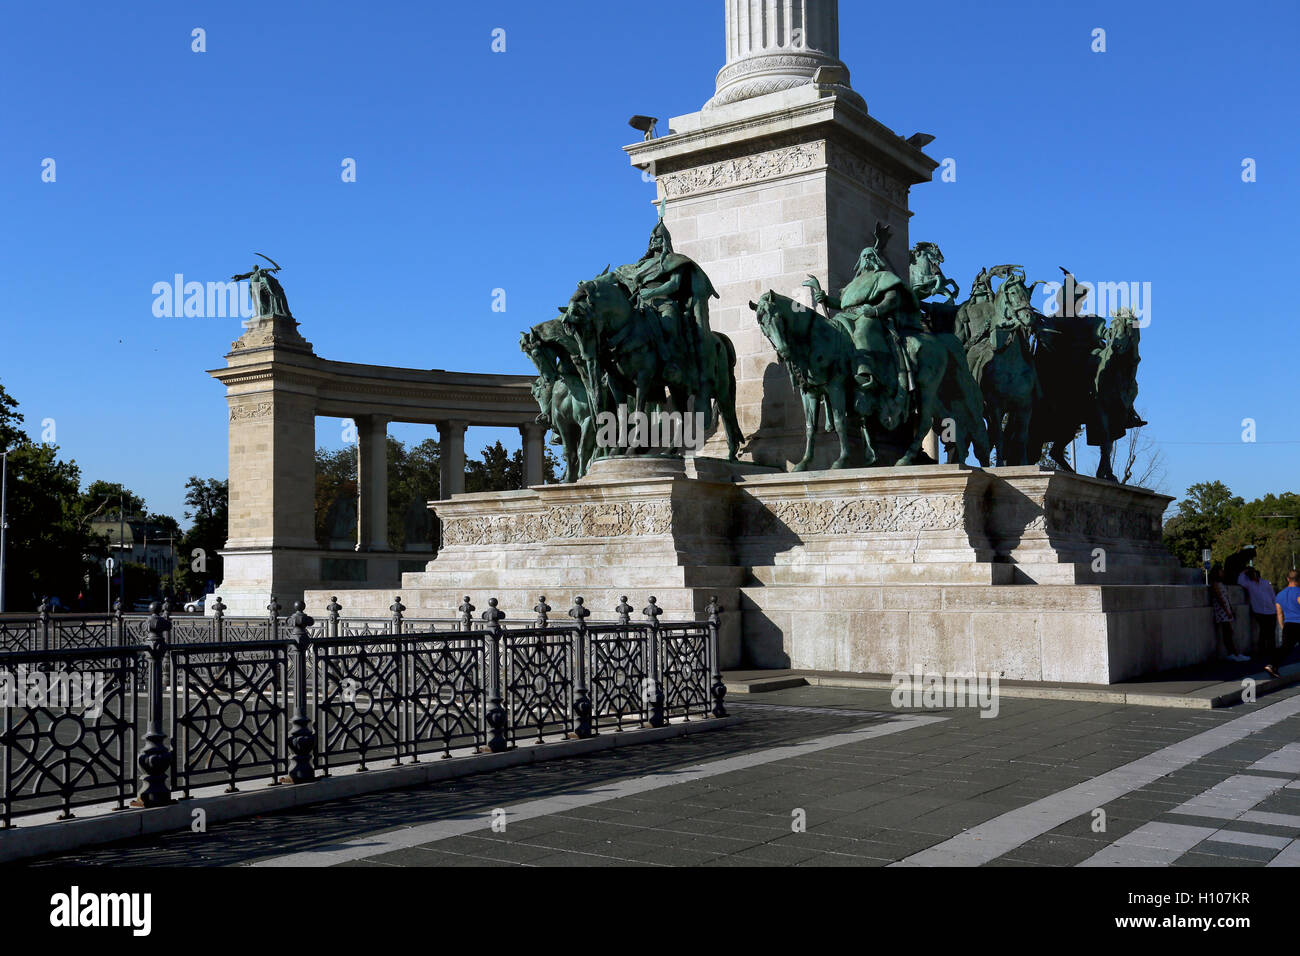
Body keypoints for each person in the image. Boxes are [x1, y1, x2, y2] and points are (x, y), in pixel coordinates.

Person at [1266, 571, 1300, 679]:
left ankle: (1272, 665)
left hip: (1288, 625)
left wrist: (1282, 626)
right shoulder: (1299, 592)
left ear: (1288, 579)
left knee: (1285, 648)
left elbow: (1279, 613)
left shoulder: (1280, 595)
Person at [1238, 567, 1277, 659]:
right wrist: (1244, 571)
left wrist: (1275, 606)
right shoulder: (1249, 584)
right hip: (1259, 610)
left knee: (1271, 631)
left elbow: (1272, 595)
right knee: (1263, 631)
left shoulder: (1265, 583)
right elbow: (1240, 581)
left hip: (1270, 609)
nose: (1253, 576)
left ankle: (1272, 650)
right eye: (1251, 574)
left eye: (1254, 574)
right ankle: (1262, 651)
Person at [1208, 568, 1246, 661]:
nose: (1222, 573)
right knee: (1227, 632)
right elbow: (1219, 598)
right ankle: (1232, 653)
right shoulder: (1215, 584)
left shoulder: (1221, 583)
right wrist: (1227, 611)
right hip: (1222, 610)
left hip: (1226, 609)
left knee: (1229, 632)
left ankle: (1235, 653)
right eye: (1220, 572)